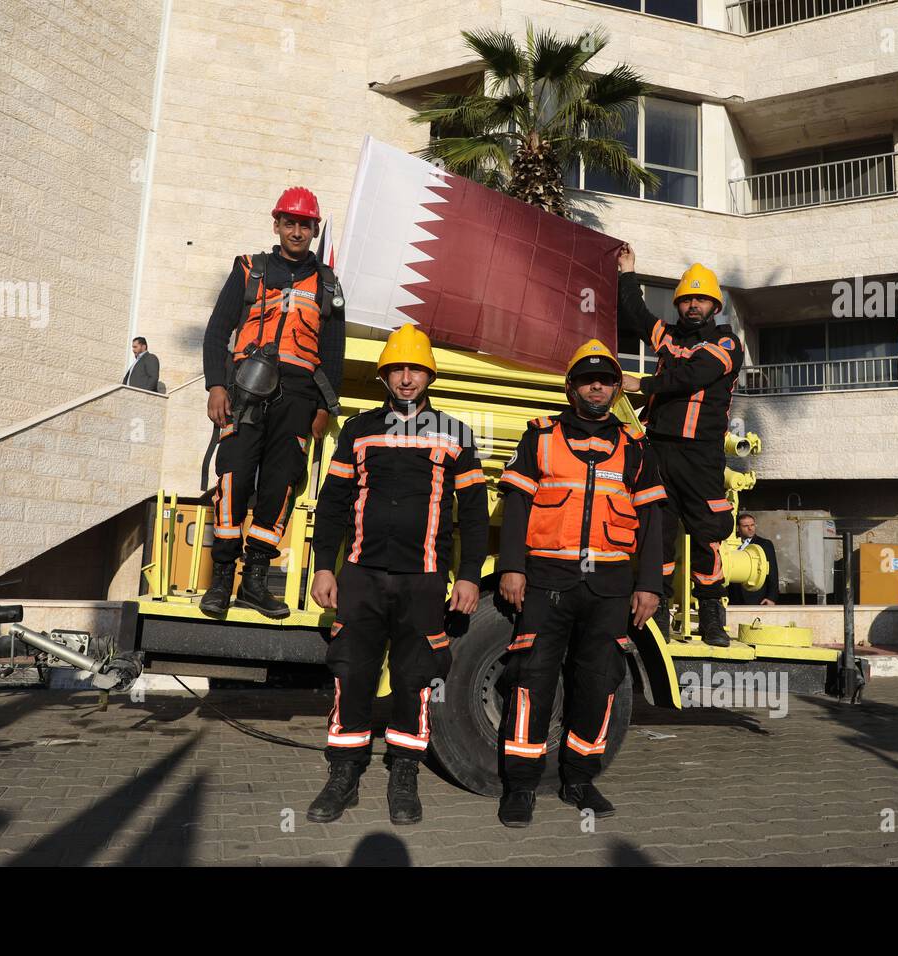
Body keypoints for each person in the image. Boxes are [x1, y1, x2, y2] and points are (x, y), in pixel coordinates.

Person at [306, 324, 489, 826]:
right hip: (361, 576)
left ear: (429, 374)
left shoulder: (455, 434)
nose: (406, 378)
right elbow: (334, 503)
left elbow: (474, 514)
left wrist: (470, 576)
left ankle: (404, 772)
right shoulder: (358, 429)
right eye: (397, 370)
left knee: (415, 677)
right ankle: (344, 772)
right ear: (384, 375)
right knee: (352, 672)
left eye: (415, 369)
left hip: (424, 580)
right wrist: (325, 565)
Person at [494, 340, 663, 827]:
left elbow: (653, 521)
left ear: (616, 389)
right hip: (548, 583)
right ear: (570, 387)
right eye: (588, 379)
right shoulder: (540, 437)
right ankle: (520, 787)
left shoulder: (635, 449)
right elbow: (518, 506)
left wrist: (649, 584)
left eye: (607, 380)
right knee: (531, 681)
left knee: (599, 684)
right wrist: (512, 567)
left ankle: (580, 779)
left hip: (609, 588)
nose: (597, 386)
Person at [198, 187, 346, 619]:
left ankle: (255, 581)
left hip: (299, 397)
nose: (297, 230)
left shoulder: (329, 282)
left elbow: (333, 351)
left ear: (314, 230)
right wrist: (215, 387)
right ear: (276, 224)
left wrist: (325, 408)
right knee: (232, 477)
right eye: (289, 222)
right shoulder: (249, 270)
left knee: (281, 484)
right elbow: (216, 331)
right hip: (243, 393)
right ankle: (221, 579)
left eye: (305, 224)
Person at [617, 250, 743, 648]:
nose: (693, 305)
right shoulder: (667, 336)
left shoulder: (727, 342)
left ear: (714, 305)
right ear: (678, 304)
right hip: (659, 451)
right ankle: (661, 617)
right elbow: (635, 315)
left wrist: (644, 385)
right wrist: (628, 272)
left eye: (700, 299)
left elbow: (694, 375)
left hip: (701, 456)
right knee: (658, 533)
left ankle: (711, 618)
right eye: (687, 299)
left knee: (707, 536)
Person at [727, 513, 779, 605]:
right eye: (746, 526)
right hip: (733, 597)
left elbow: (772, 572)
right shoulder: (730, 545)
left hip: (756, 597)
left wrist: (771, 597)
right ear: (738, 528)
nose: (750, 528)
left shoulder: (764, 544)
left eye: (752, 525)